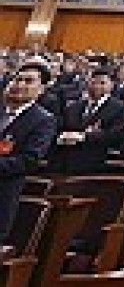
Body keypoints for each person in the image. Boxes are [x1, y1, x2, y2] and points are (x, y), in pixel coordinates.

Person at [0, 63, 57, 244]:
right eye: (18, 79)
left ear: (41, 89)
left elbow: (29, 160)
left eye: (28, 81)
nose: (20, 85)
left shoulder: (43, 120)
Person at [49, 69, 124, 174]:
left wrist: (85, 137)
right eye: (93, 82)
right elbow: (60, 127)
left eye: (102, 83)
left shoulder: (119, 108)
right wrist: (63, 136)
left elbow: (118, 135)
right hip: (64, 160)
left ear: (111, 85)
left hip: (95, 163)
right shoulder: (73, 107)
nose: (97, 86)